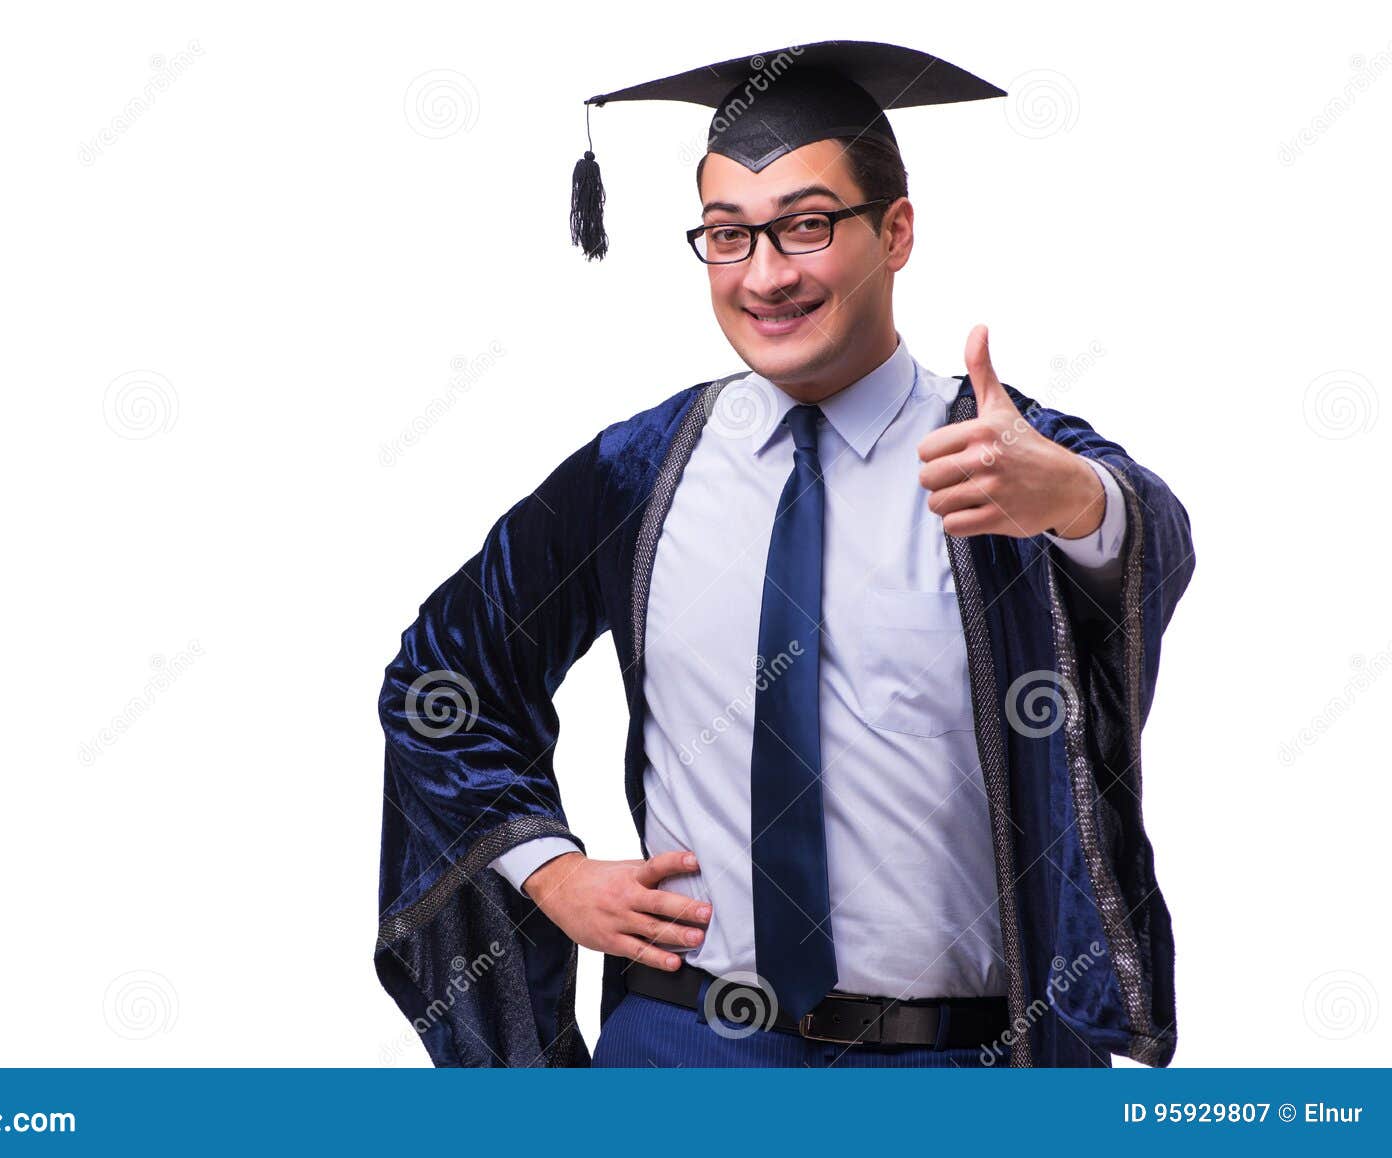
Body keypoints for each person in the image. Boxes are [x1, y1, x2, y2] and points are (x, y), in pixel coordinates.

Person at [375, 40, 1195, 1068]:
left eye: (805, 226)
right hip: (683, 1052)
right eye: (727, 236)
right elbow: (443, 675)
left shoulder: (995, 456)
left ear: (895, 232)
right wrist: (544, 870)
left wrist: (1074, 499)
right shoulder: (639, 474)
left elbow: (1141, 535)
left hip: (961, 1066)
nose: (764, 276)